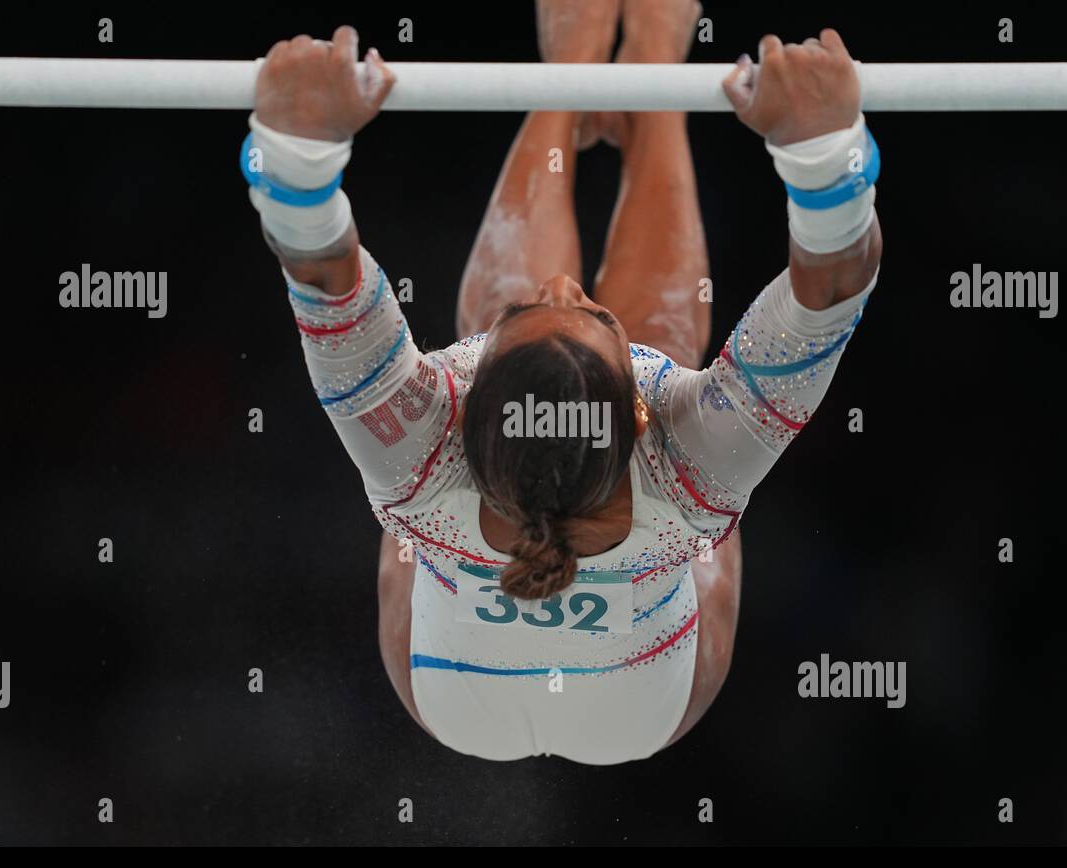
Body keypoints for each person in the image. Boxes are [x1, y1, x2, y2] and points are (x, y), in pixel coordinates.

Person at [242, 0, 882, 764]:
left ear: (462, 417)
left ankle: (569, 78)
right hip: (643, 706)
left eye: (532, 304)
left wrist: (299, 143)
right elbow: (838, 278)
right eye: (590, 310)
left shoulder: (419, 448)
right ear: (644, 421)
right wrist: (820, 154)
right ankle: (653, 81)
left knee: (600, 381)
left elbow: (316, 266)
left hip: (453, 692)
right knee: (668, 353)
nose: (560, 280)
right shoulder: (684, 469)